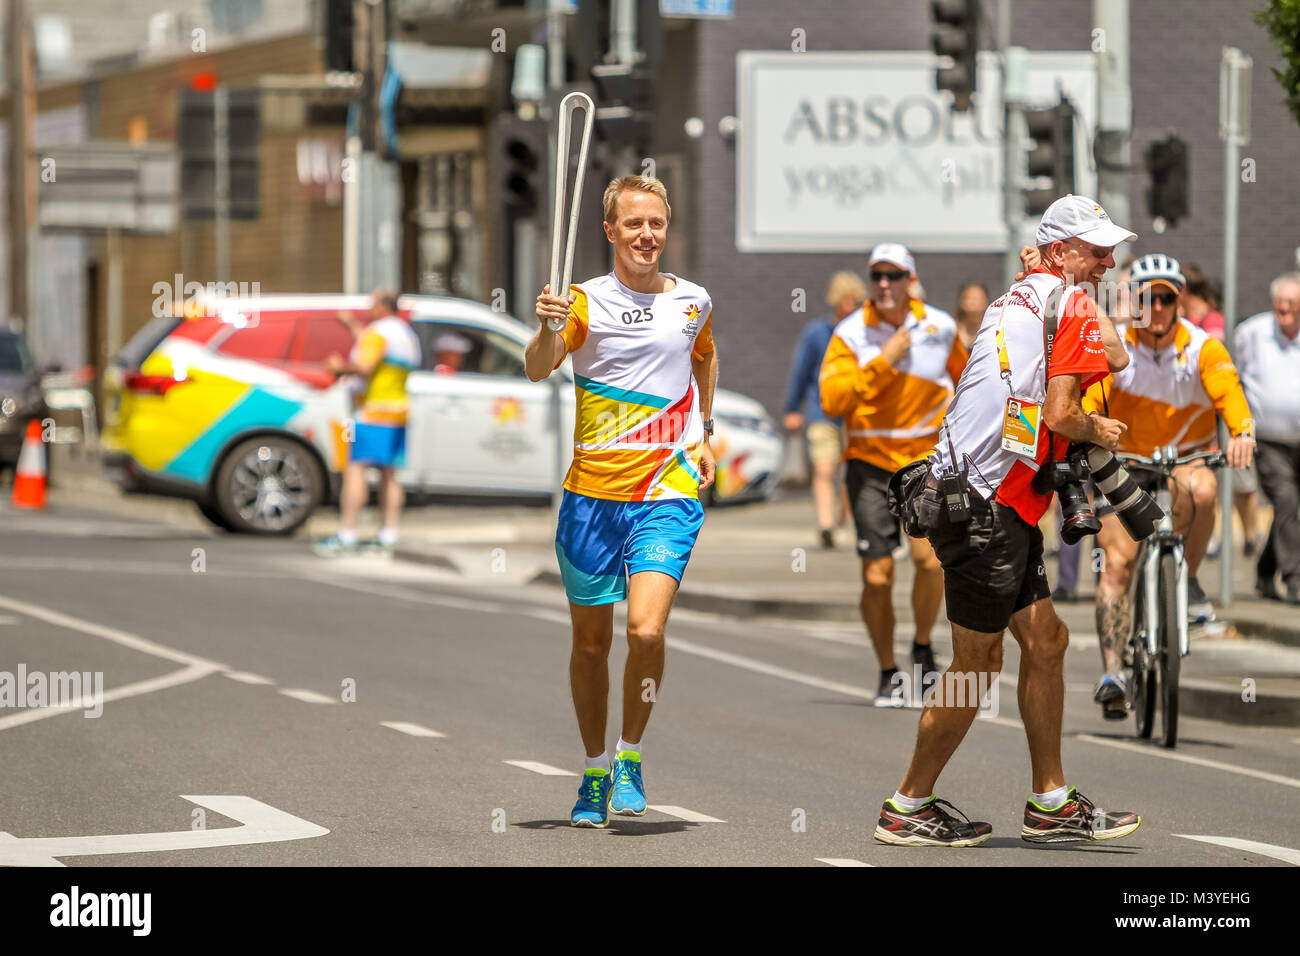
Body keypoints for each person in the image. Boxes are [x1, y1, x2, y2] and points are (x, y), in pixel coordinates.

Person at [875, 195, 1140, 847]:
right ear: (1059, 252)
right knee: (976, 662)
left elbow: (1073, 370)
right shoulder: (1068, 303)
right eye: (1096, 251)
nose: (1108, 261)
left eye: (1111, 250)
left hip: (987, 501)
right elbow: (1059, 411)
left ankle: (1049, 802)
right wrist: (1095, 427)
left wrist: (1049, 275)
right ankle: (907, 805)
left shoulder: (1013, 301)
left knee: (1045, 642)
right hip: (984, 506)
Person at [526, 175, 717, 828]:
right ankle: (593, 768)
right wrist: (549, 329)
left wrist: (706, 433)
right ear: (610, 230)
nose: (646, 235)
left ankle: (630, 753)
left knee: (646, 628)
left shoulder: (693, 302)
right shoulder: (582, 301)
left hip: (667, 488)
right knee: (590, 645)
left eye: (656, 223)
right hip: (590, 499)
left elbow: (704, 359)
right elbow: (538, 364)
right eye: (633, 223)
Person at [1082, 254, 1255, 717]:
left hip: (1186, 461)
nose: (1156, 306)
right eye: (1147, 297)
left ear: (1180, 300)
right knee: (1115, 566)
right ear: (1134, 301)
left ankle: (1189, 583)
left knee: (1202, 489)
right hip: (1126, 465)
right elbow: (1091, 397)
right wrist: (1092, 423)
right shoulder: (1116, 349)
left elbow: (1230, 394)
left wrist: (1241, 433)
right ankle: (1114, 673)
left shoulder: (1203, 348)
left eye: (1166, 297)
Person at [820, 244, 965, 706]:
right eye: (877, 275)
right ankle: (887, 671)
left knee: (930, 563)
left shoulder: (940, 327)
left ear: (911, 279)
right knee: (877, 576)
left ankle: (922, 644)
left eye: (894, 275)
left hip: (927, 461)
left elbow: (969, 382)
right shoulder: (850, 333)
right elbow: (832, 401)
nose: (885, 284)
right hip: (869, 463)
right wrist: (883, 360)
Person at [315, 290, 421, 556]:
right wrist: (352, 325)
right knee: (390, 475)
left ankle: (347, 533)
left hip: (371, 413)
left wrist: (339, 367)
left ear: (384, 307)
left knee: (355, 470)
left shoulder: (378, 333)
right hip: (398, 413)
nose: (368, 309)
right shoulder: (406, 334)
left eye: (373, 304)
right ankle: (388, 533)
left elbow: (365, 366)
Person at [783, 272, 864, 548]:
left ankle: (846, 518)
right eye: (845, 301)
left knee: (851, 472)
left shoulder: (865, 332)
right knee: (824, 468)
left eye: (854, 301)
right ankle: (826, 524)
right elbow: (801, 372)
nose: (849, 306)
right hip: (822, 410)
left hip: (856, 412)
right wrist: (793, 408)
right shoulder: (817, 333)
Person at [1236, 272, 1300, 603]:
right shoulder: (1252, 333)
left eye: (1291, 302)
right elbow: (1234, 378)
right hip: (1270, 440)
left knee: (1288, 510)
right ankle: (1294, 580)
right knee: (1286, 499)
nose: (1284, 308)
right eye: (1280, 301)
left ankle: (1264, 572)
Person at [953, 280, 990, 353]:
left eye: (978, 299)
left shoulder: (992, 332)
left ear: (986, 302)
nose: (973, 302)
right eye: (969, 298)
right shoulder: (952, 332)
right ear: (961, 302)